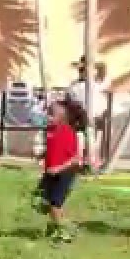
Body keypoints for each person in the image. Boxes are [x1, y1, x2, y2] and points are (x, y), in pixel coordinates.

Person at [33, 98, 87, 244]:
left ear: (63, 118)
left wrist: (59, 168)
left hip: (64, 173)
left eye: (51, 114)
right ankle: (55, 225)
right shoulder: (50, 130)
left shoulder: (68, 132)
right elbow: (53, 150)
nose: (47, 117)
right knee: (40, 201)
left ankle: (64, 231)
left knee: (54, 204)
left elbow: (76, 158)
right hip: (50, 172)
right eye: (48, 113)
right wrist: (42, 155)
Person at [67, 58, 109, 171]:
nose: (83, 72)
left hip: (96, 115)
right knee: (82, 138)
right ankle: (83, 162)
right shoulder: (75, 85)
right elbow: (71, 99)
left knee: (93, 139)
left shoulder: (98, 84)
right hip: (81, 116)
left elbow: (103, 70)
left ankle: (91, 162)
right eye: (82, 70)